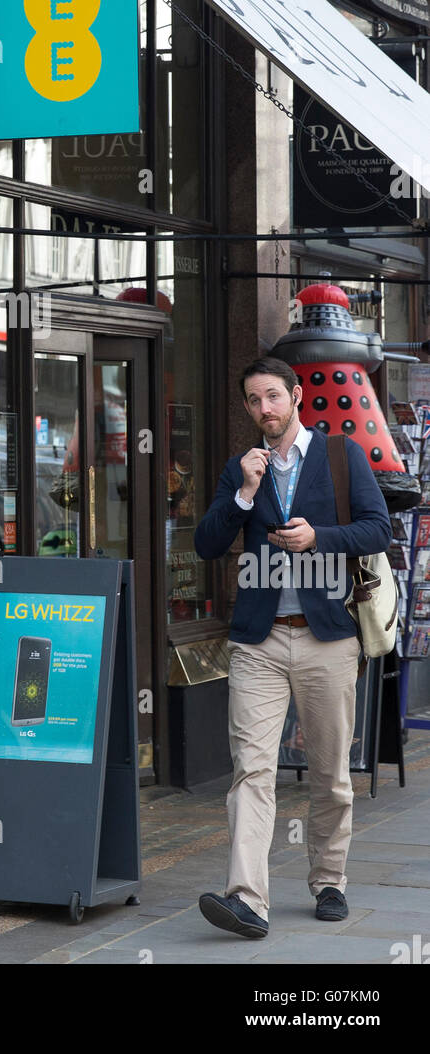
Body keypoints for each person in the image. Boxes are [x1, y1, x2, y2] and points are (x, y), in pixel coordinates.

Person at [194, 356, 391, 939]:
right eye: (254, 401)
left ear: (297, 395)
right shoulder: (241, 469)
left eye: (274, 397)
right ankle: (248, 899)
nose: (265, 410)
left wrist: (318, 537)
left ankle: (329, 880)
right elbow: (207, 544)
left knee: (329, 773)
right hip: (258, 641)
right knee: (251, 771)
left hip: (326, 637)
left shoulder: (339, 456)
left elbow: (379, 528)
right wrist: (245, 495)